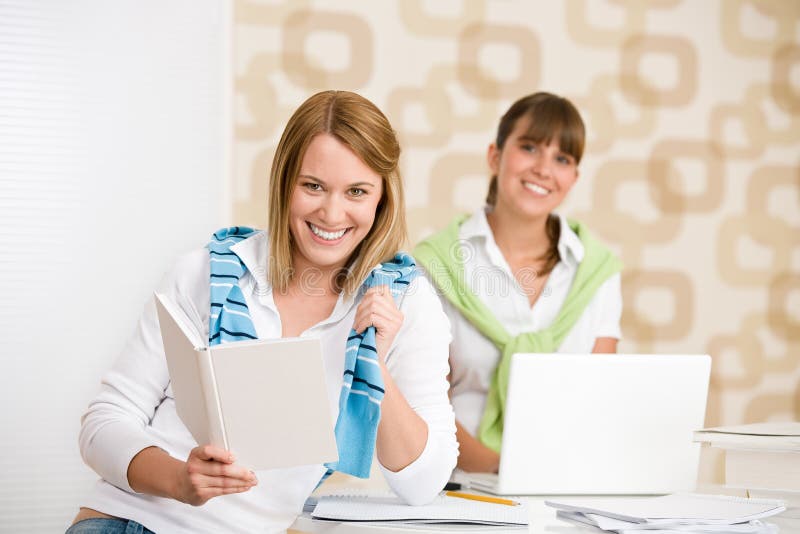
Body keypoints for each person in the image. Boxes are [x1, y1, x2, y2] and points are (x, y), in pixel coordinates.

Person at [70, 90, 458, 534]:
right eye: (313, 186)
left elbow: (423, 483)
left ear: (382, 197)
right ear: (284, 182)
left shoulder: (405, 302)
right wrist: (180, 479)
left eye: (356, 191)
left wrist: (375, 363)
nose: (332, 214)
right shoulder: (206, 272)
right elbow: (103, 423)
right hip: (131, 521)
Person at [414, 92, 622, 474]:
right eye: (529, 148)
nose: (544, 169)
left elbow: (597, 400)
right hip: (459, 487)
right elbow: (424, 403)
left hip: (568, 483)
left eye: (562, 158)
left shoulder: (598, 273)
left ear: (573, 178)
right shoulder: (436, 265)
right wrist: (505, 473)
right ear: (495, 155)